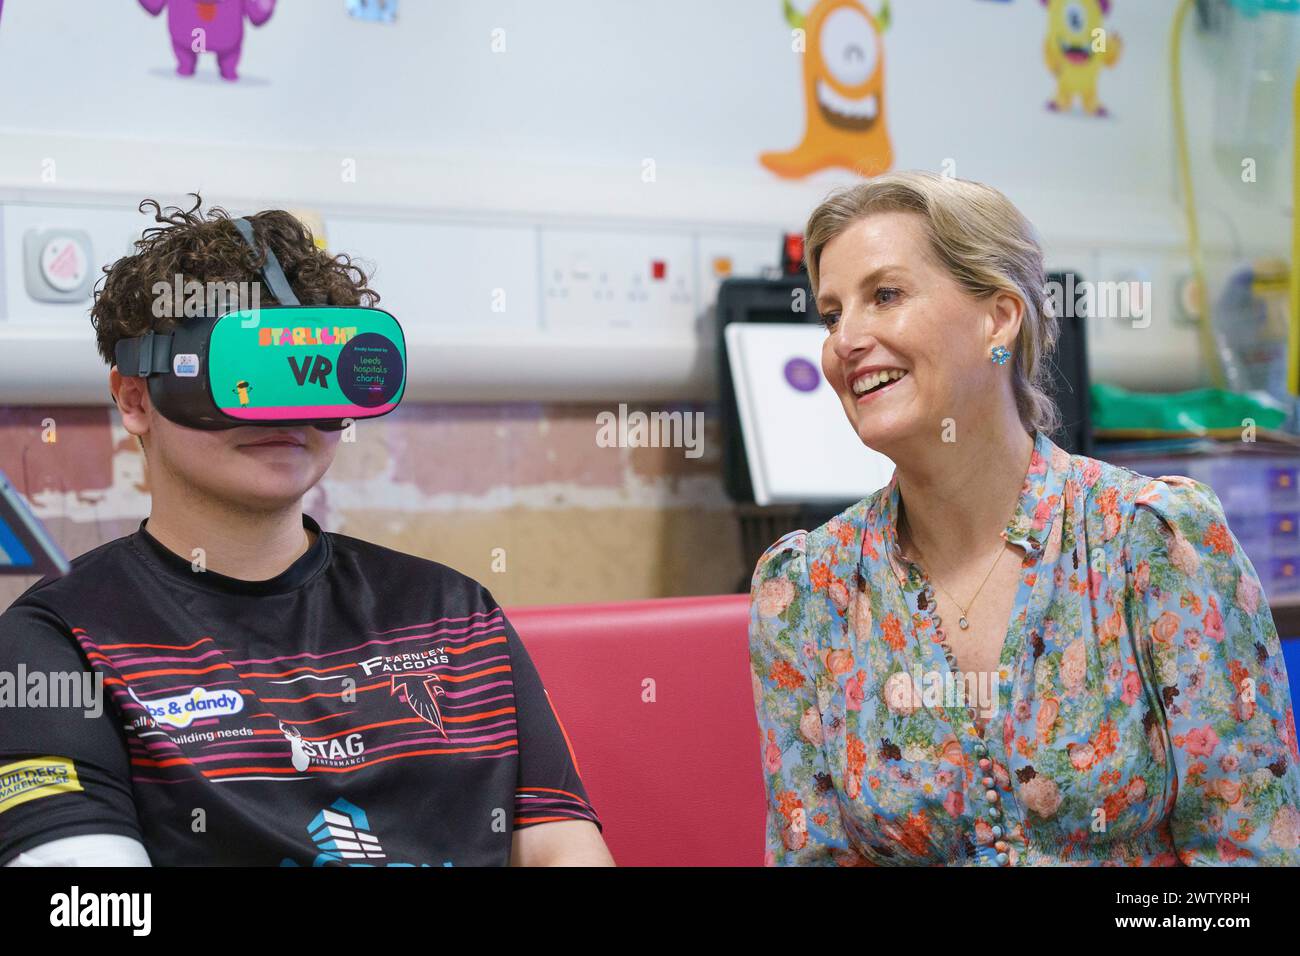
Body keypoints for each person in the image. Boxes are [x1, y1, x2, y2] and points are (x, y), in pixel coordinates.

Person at [0, 197, 613, 867]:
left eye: (309, 372)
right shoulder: (60, 645)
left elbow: (561, 848)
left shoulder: (453, 615)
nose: (284, 408)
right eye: (243, 374)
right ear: (136, 397)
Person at [748, 170, 1300, 866]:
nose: (845, 341)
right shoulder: (803, 592)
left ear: (999, 318)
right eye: (831, 315)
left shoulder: (1156, 542)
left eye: (884, 295)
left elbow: (1248, 864)